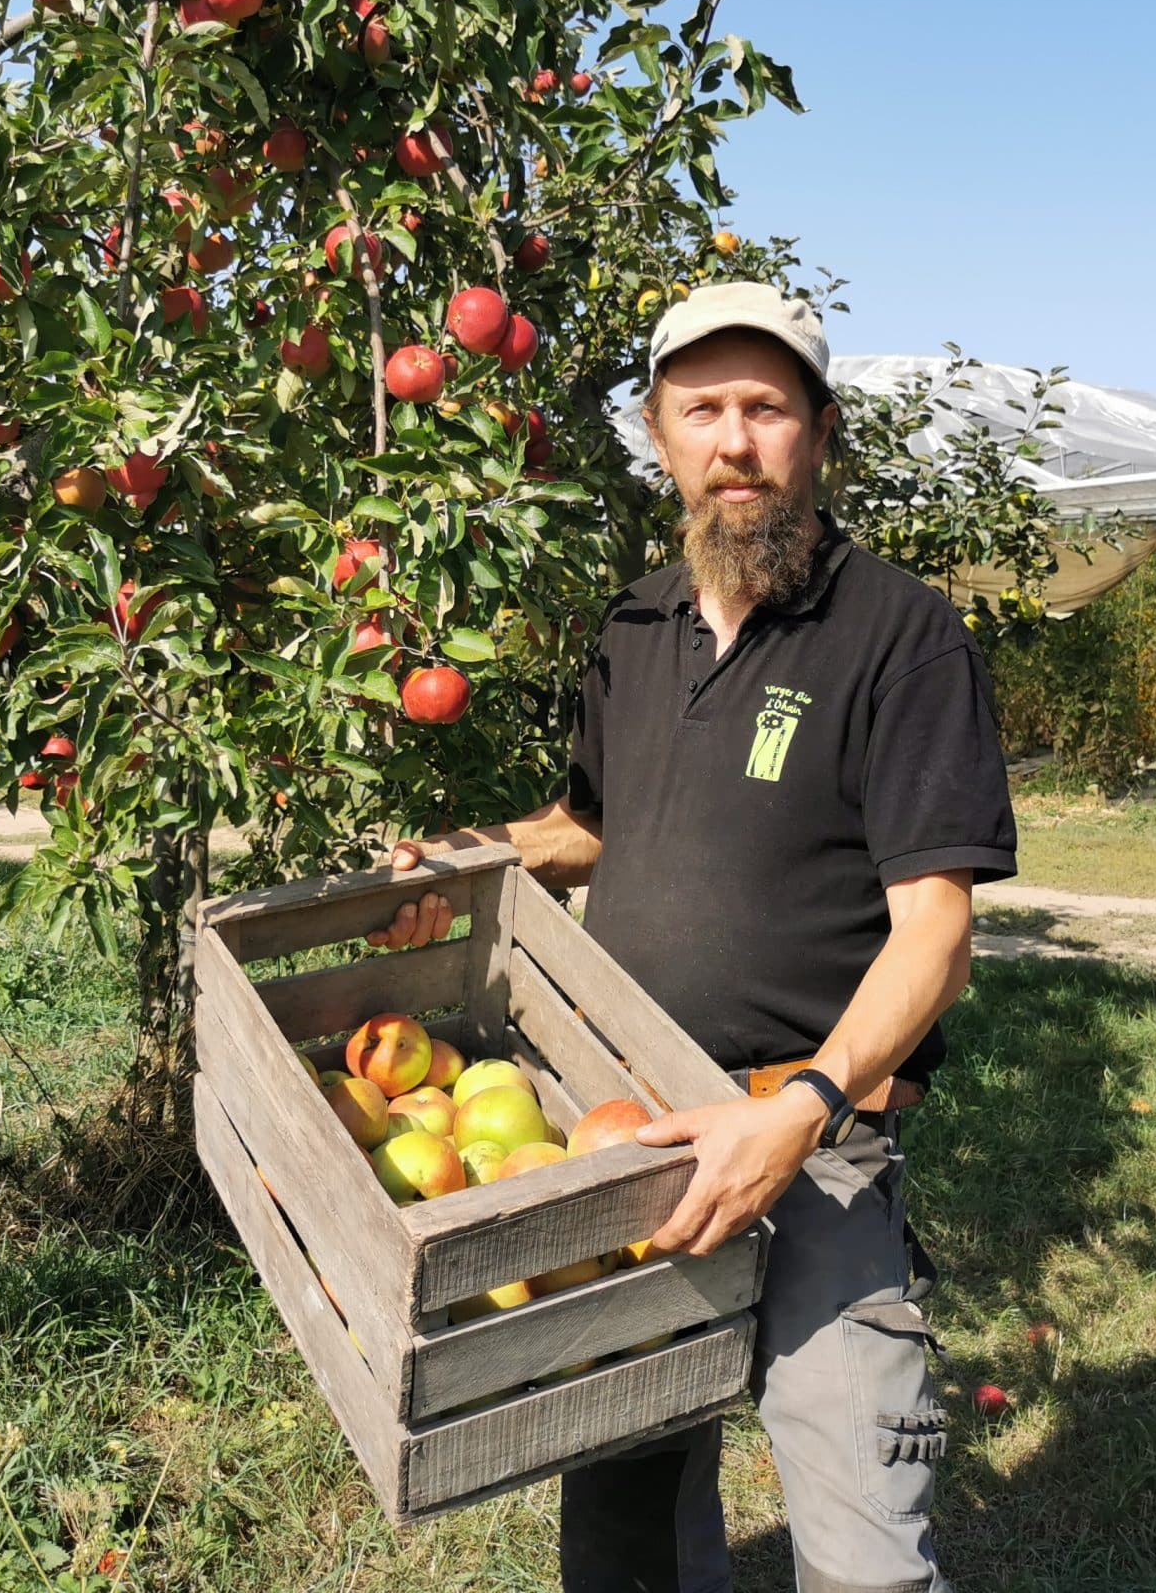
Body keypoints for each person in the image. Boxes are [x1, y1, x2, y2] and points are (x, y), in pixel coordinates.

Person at [371, 281, 1018, 1593]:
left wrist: (808, 1109)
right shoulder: (633, 629)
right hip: (626, 1129)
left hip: (813, 1137)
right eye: (703, 410)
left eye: (767, 409)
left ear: (819, 433)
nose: (735, 441)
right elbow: (592, 827)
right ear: (660, 438)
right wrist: (469, 857)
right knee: (621, 1529)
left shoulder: (899, 634)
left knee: (865, 1540)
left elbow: (935, 933)